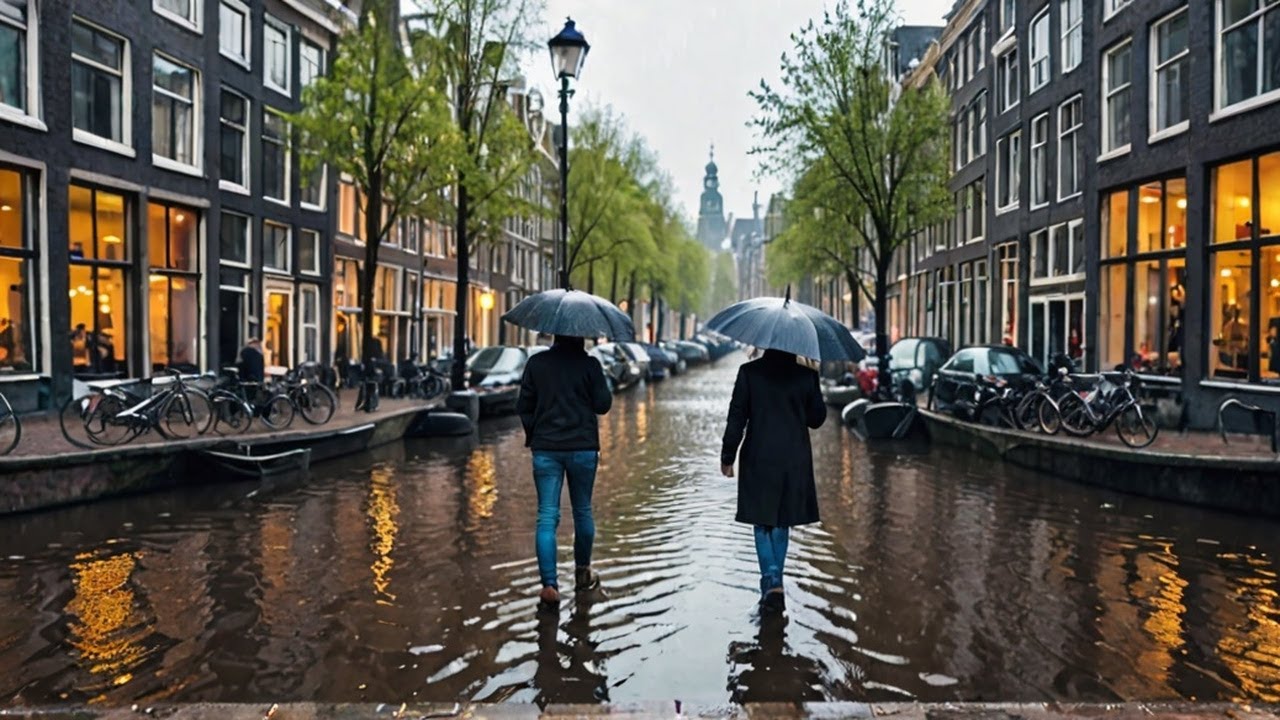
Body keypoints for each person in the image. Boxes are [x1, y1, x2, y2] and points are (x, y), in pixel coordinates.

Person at [721, 348, 827, 613]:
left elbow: (737, 417)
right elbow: (817, 419)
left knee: (762, 520)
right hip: (794, 457)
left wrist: (728, 455)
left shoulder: (749, 373)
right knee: (782, 521)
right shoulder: (806, 376)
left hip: (759, 455)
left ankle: (771, 582)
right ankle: (774, 584)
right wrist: (814, 379)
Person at [516, 335, 613, 609]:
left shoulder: (536, 364)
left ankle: (549, 585)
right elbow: (602, 405)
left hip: (546, 449)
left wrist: (535, 433)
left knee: (546, 515)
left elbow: (523, 406)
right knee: (582, 510)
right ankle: (582, 573)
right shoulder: (590, 365)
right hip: (583, 448)